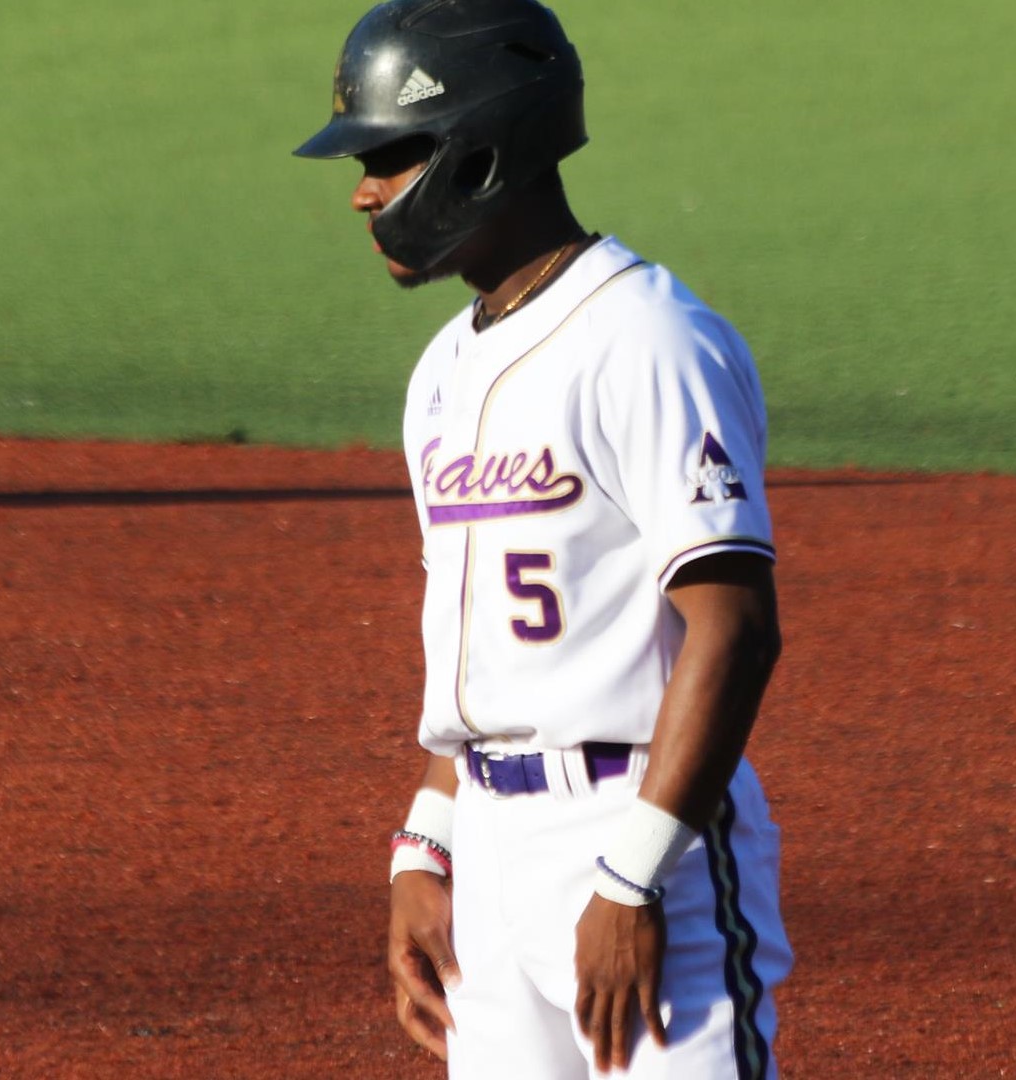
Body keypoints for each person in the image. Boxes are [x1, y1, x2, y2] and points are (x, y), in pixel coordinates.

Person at [295, 2, 793, 1076]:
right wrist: (424, 844)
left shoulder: (646, 339)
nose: (363, 192)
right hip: (488, 847)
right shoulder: (443, 371)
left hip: (640, 831)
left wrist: (631, 876)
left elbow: (734, 627)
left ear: (482, 148)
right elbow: (476, 655)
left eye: (387, 156)